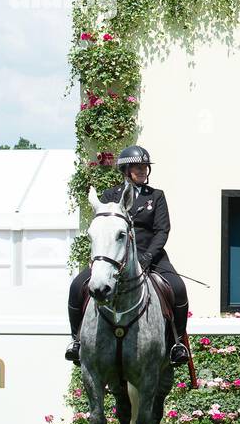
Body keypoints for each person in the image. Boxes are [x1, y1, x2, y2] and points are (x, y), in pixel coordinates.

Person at [66, 145, 190, 367]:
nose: (143, 171)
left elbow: (162, 230)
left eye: (145, 167)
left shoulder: (156, 197)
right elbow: (102, 230)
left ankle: (176, 343)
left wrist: (148, 256)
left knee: (177, 287)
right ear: (125, 169)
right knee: (77, 286)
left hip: (149, 255)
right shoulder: (109, 196)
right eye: (137, 167)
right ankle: (76, 341)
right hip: (114, 258)